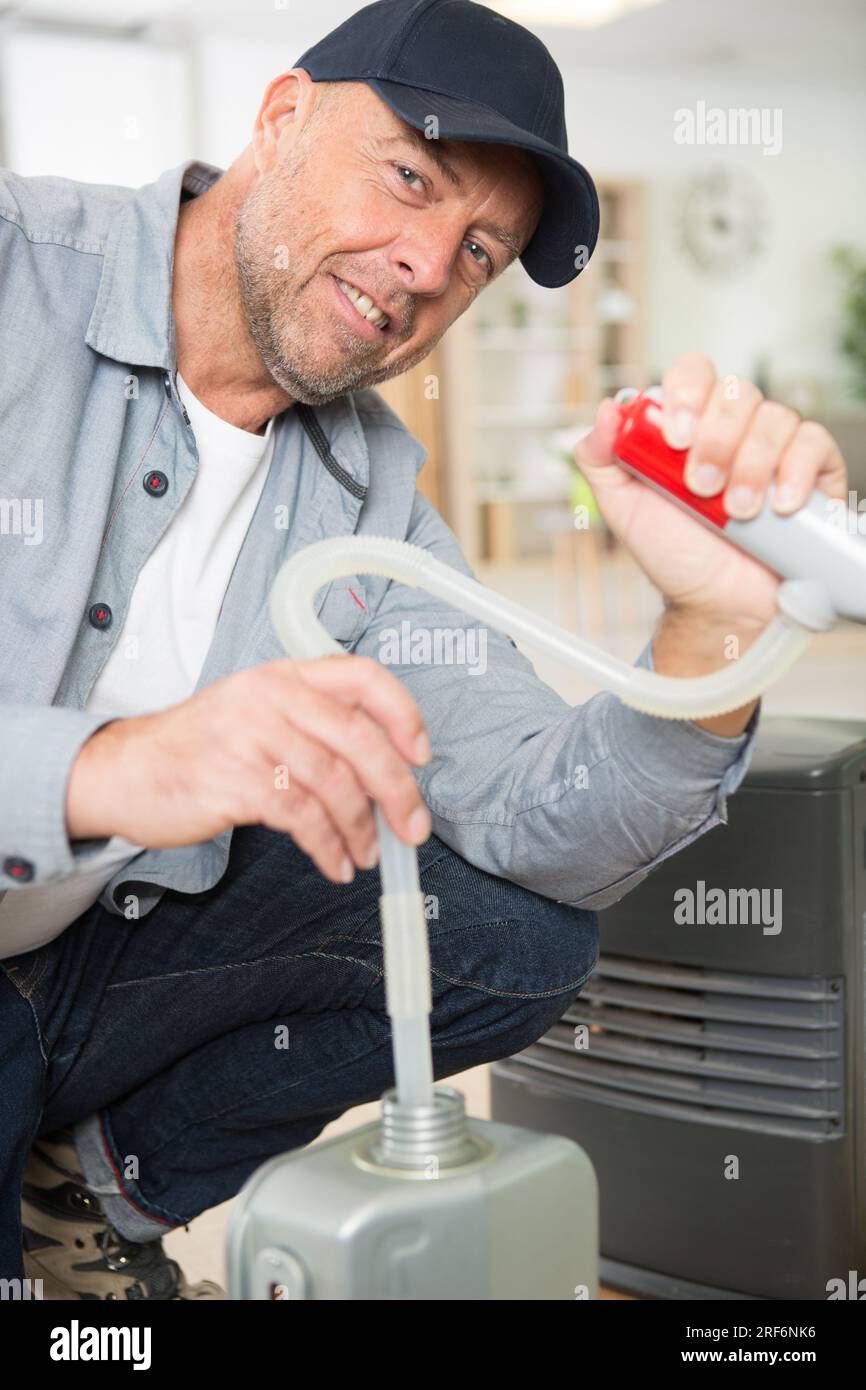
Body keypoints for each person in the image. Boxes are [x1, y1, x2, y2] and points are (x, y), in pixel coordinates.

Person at [0, 0, 848, 1299]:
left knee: (511, 933)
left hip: (96, 964)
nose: (422, 265)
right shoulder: (18, 273)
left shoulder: (369, 486)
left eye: (476, 251)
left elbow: (535, 818)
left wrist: (712, 620)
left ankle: (92, 1184)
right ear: (279, 117)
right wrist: (104, 769)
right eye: (408, 177)